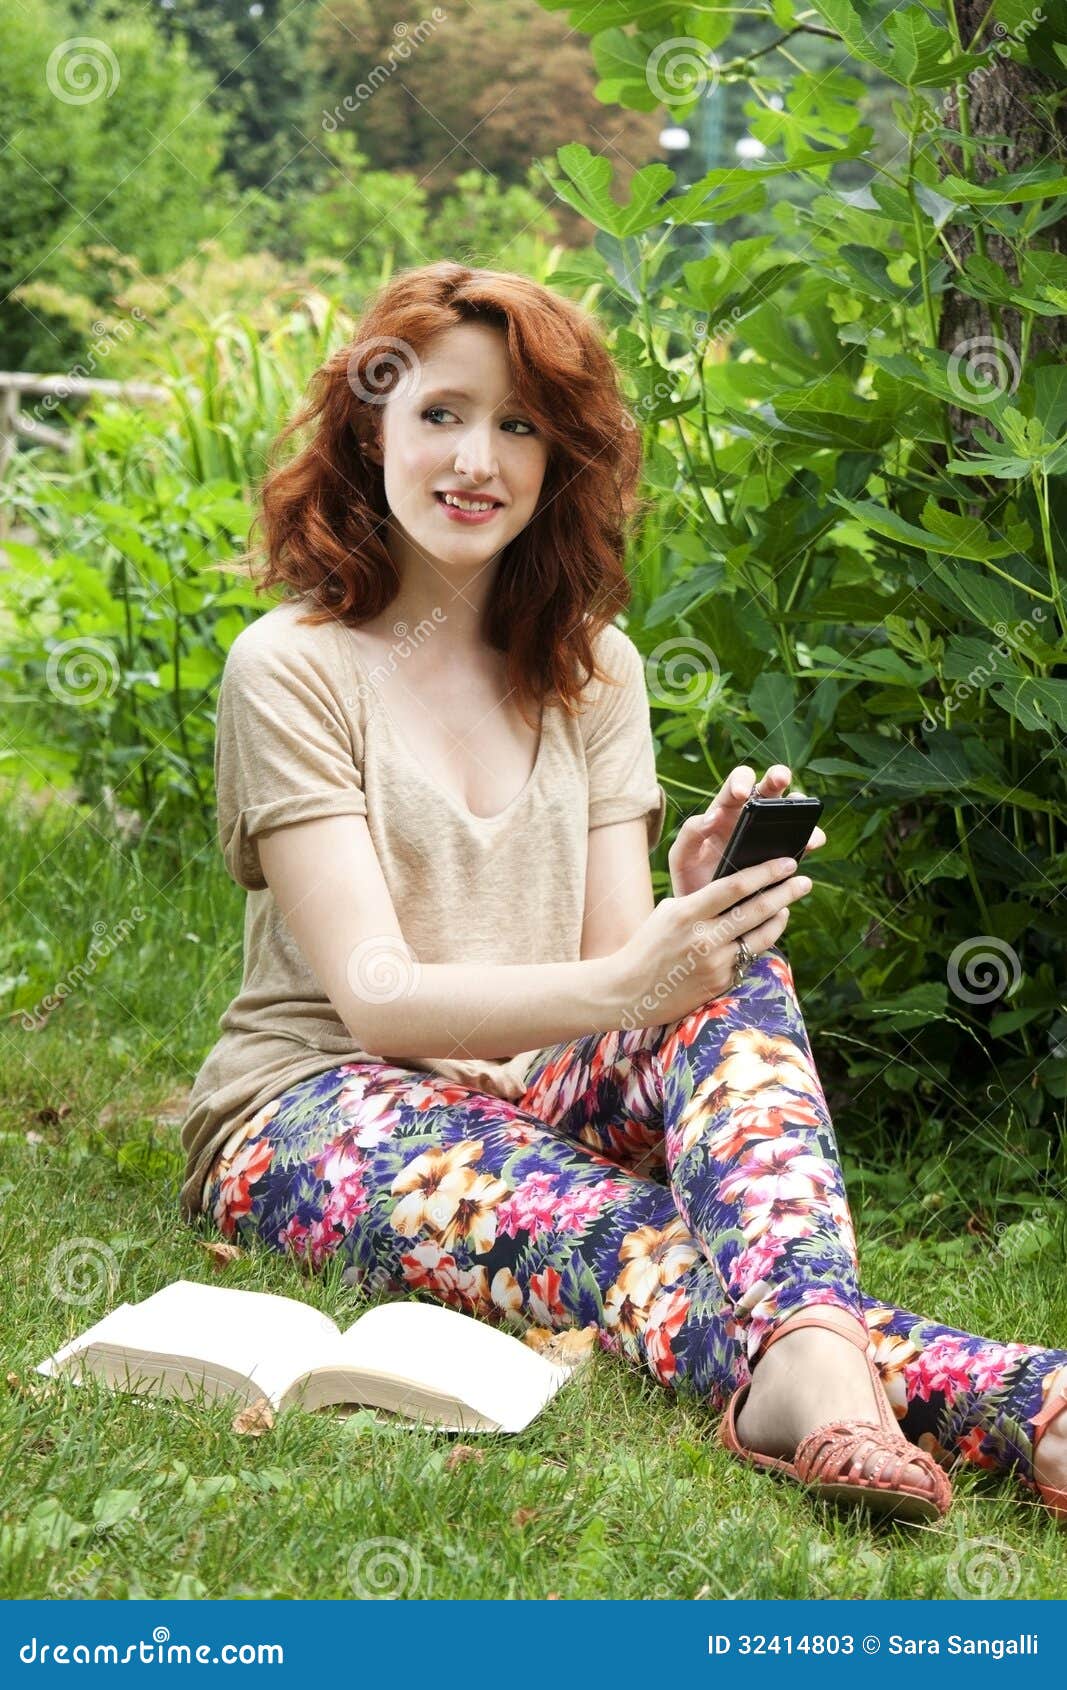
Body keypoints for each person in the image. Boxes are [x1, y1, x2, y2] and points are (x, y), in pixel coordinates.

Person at [180, 260, 1067, 1525]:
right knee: (619, 1237)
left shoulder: (595, 671)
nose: (476, 457)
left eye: (519, 424)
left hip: (532, 1085)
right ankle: (1020, 1405)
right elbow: (375, 1000)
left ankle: (824, 1375)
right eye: (439, 414)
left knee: (733, 972)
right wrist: (628, 980)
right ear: (367, 427)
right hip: (317, 1105)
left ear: (560, 463)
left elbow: (613, 968)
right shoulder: (291, 668)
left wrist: (683, 918)